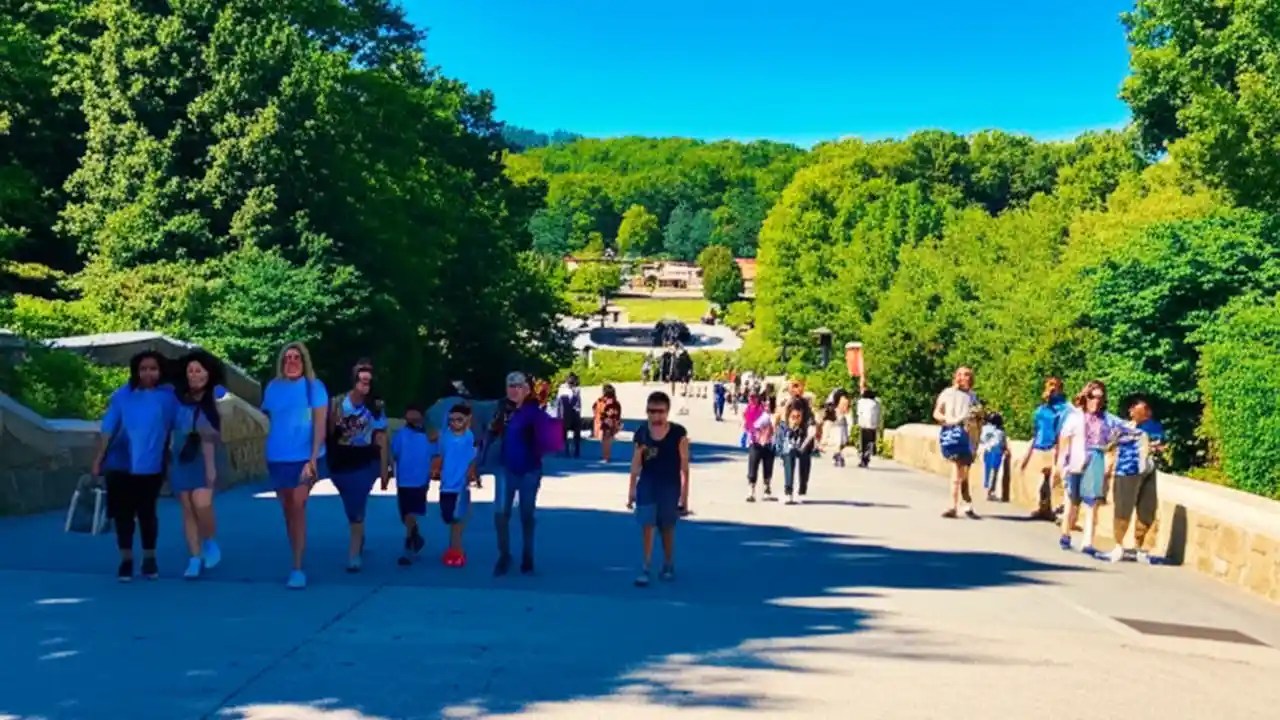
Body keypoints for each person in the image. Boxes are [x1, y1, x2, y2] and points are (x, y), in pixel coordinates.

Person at [92, 350, 178, 582]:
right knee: (123, 515)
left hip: (152, 463)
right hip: (121, 462)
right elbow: (108, 428)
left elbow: (179, 424)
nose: (148, 373)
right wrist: (99, 458)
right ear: (135, 371)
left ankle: (149, 558)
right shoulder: (123, 395)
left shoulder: (169, 397)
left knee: (147, 513)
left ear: (161, 371)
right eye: (143, 368)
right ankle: (126, 559)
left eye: (153, 368)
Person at [261, 341, 329, 590]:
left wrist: (312, 459)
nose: (291, 362)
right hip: (278, 457)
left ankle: (298, 567)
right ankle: (295, 553)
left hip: (304, 458)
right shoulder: (273, 388)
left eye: (296, 358)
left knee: (298, 506)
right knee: (288, 509)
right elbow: (267, 420)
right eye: (287, 358)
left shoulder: (314, 387)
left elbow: (320, 425)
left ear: (304, 361)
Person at [326, 361, 390, 572]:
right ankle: (359, 534)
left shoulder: (375, 406)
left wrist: (384, 471)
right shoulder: (337, 403)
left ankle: (354, 554)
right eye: (362, 380)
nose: (366, 385)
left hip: (366, 461)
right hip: (341, 461)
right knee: (351, 505)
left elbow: (381, 437)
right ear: (354, 381)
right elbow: (326, 434)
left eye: (369, 381)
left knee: (356, 501)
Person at [170, 351, 226, 579]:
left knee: (201, 503)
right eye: (191, 371)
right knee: (187, 508)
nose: (195, 375)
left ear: (208, 372)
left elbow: (225, 430)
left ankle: (210, 540)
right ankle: (194, 557)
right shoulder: (177, 397)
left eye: (199, 370)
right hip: (182, 456)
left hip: (207, 456)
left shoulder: (217, 395)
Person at [627, 391, 690, 586]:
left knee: (667, 527)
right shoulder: (642, 433)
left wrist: (684, 498)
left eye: (660, 412)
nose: (656, 416)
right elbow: (636, 462)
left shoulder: (679, 434)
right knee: (647, 525)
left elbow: (685, 467)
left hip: (670, 486)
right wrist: (631, 489)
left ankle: (668, 563)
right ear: (647, 412)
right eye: (652, 412)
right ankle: (646, 566)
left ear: (667, 412)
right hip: (647, 483)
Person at [1057, 380, 1127, 556]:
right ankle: (1066, 533)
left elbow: (1126, 429)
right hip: (1076, 458)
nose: (1096, 401)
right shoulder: (1075, 417)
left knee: (1092, 501)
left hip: (1096, 457)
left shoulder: (1108, 419)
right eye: (1092, 397)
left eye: (1100, 398)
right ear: (1085, 397)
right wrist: (1061, 464)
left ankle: (1088, 541)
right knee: (1072, 500)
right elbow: (1064, 441)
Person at [491, 372, 544, 576]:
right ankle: (504, 555)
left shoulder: (534, 410)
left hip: (530, 470)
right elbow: (491, 432)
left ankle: (527, 556)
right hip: (505, 468)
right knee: (501, 514)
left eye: (518, 386)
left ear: (526, 389)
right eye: (510, 386)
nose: (514, 390)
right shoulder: (501, 409)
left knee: (526, 514)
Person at [1106, 397, 1165, 563]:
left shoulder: (1154, 427)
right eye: (1136, 409)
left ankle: (1140, 547)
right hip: (1127, 471)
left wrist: (1157, 447)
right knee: (1123, 509)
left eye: (1144, 409)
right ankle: (1118, 545)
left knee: (1147, 508)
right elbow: (1109, 444)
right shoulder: (1123, 427)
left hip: (1148, 470)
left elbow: (1161, 444)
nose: (1139, 412)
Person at [1019, 377, 1071, 521]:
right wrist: (1029, 452)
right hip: (1039, 446)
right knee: (1039, 479)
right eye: (1050, 385)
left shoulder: (1065, 409)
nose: (1052, 388)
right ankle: (1041, 507)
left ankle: (1055, 509)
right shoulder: (1041, 409)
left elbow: (1064, 430)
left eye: (1055, 386)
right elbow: (1036, 430)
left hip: (1054, 446)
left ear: (1061, 389)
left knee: (1054, 479)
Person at [435, 403, 478, 567]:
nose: (454, 423)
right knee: (447, 517)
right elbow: (440, 455)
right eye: (451, 420)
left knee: (457, 520)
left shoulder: (469, 437)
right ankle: (453, 548)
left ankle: (456, 550)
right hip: (446, 485)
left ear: (467, 420)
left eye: (459, 420)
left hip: (461, 486)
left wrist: (472, 474)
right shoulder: (445, 436)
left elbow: (473, 459)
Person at [934, 366, 980, 519]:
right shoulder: (948, 393)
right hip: (952, 432)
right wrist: (947, 420)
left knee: (964, 471)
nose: (963, 377)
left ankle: (966, 503)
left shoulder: (973, 396)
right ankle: (953, 505)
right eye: (960, 374)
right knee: (956, 468)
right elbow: (937, 412)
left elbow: (977, 418)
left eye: (966, 375)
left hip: (968, 435)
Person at [390, 404, 433, 566]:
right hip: (404, 481)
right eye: (410, 419)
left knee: (410, 514)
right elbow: (394, 454)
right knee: (405, 515)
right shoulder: (401, 435)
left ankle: (408, 547)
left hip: (420, 481)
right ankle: (416, 537)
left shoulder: (428, 437)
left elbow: (435, 455)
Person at [777, 400, 817, 504]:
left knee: (805, 458)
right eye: (793, 416)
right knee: (789, 457)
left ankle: (802, 488)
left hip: (804, 444)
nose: (796, 419)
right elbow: (780, 443)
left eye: (798, 416)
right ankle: (788, 492)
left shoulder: (808, 421)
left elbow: (811, 436)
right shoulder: (784, 423)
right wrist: (790, 429)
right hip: (789, 447)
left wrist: (807, 438)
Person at [743, 392, 776, 502]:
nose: (752, 399)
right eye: (750, 397)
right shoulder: (748, 410)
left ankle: (767, 489)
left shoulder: (765, 408)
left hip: (768, 441)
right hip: (754, 442)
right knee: (753, 466)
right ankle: (751, 491)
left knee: (768, 466)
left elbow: (773, 420)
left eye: (754, 397)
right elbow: (747, 425)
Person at [979, 412, 1010, 502]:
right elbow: (1001, 443)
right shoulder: (1000, 431)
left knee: (987, 470)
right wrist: (1005, 449)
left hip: (986, 451)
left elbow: (981, 440)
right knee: (994, 471)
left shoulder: (984, 429)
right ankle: (990, 491)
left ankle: (986, 489)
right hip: (996, 452)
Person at [554, 374, 583, 458]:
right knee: (563, 432)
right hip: (564, 413)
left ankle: (576, 450)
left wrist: (578, 411)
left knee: (577, 431)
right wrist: (558, 415)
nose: (571, 384)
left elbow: (578, 402)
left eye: (573, 382)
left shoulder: (577, 389)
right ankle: (565, 450)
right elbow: (558, 403)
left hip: (574, 412)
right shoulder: (562, 388)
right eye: (570, 382)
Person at [593, 384, 623, 463]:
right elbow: (618, 413)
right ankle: (606, 456)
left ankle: (606, 457)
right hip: (611, 423)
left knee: (605, 440)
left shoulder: (603, 401)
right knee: (607, 440)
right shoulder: (616, 402)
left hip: (606, 423)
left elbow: (599, 410)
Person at [855, 389, 881, 468]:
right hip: (872, 426)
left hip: (864, 425)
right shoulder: (875, 403)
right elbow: (878, 414)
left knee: (863, 443)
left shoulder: (861, 402)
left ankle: (863, 459)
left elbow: (858, 413)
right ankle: (867, 457)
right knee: (871, 442)